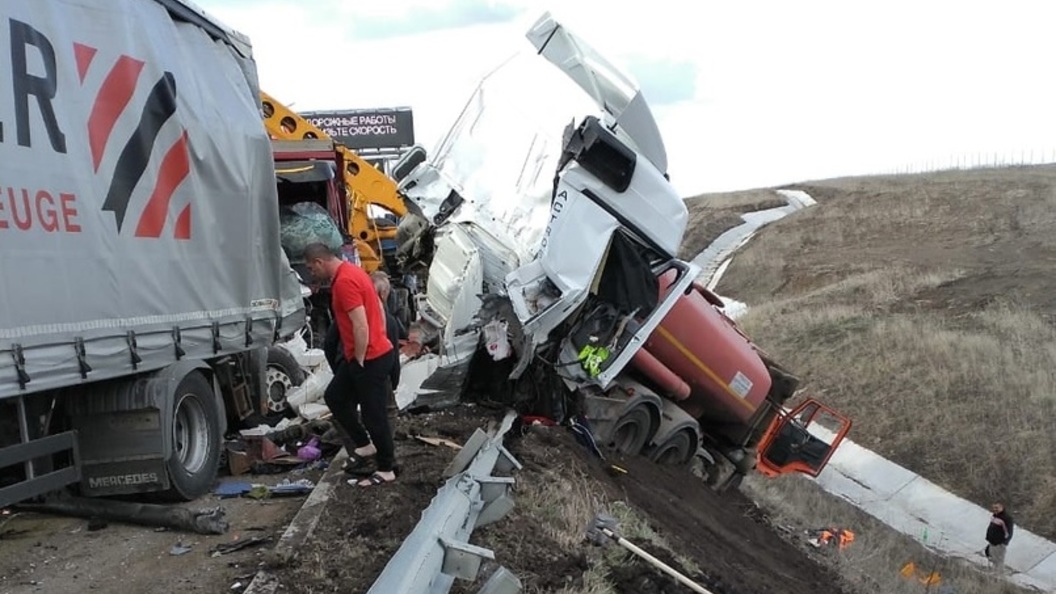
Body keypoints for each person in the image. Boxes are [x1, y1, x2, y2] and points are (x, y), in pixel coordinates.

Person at [303, 242, 397, 487]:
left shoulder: (345, 282)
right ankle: (364, 444)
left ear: (319, 262)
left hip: (370, 357)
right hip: (361, 355)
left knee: (374, 415)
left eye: (311, 268)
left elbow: (360, 325)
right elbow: (376, 309)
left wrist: (360, 358)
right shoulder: (352, 272)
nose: (312, 273)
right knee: (335, 397)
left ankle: (387, 468)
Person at [370, 271, 404, 407]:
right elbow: (393, 355)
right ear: (383, 294)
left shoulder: (353, 314)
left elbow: (330, 343)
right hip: (379, 376)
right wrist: (394, 382)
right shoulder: (388, 321)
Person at [985, 502, 1014, 573]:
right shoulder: (995, 516)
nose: (995, 509)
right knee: (993, 558)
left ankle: (998, 575)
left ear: (1002, 507)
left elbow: (1009, 532)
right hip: (992, 542)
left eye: (997, 508)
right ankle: (993, 573)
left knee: (998, 561)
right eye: (994, 507)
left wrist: (1003, 543)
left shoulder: (1007, 519)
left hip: (999, 544)